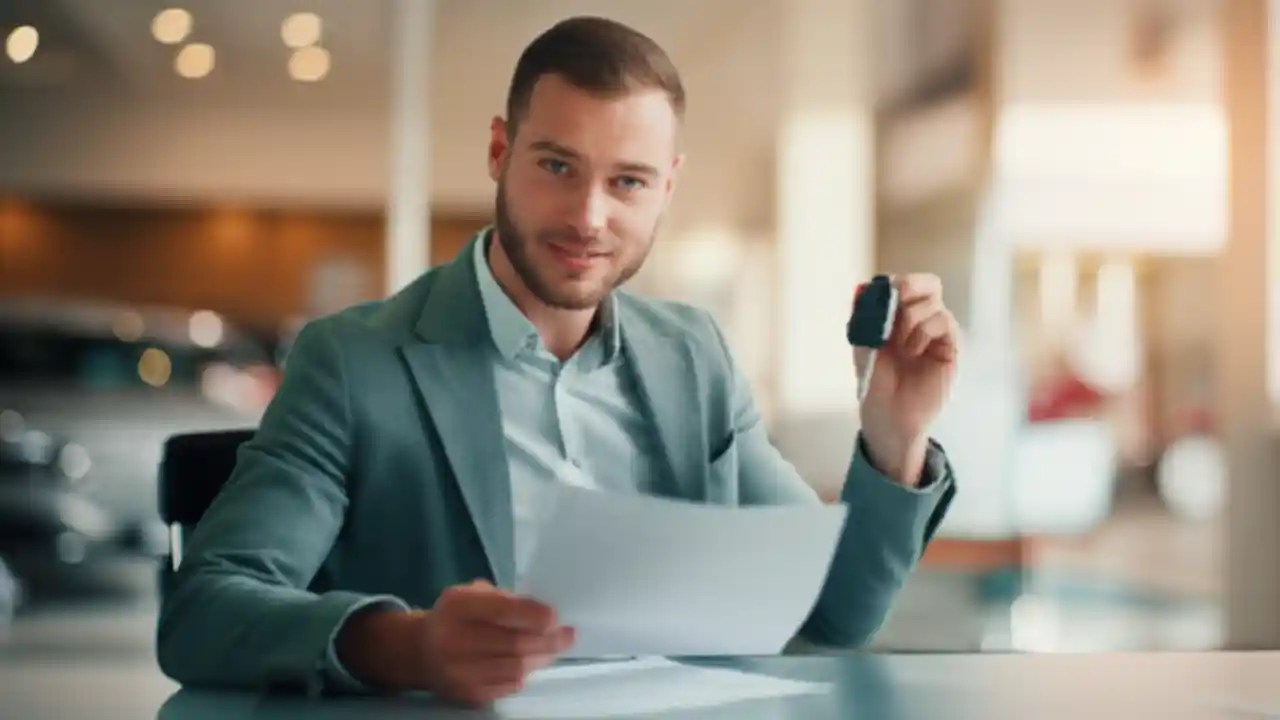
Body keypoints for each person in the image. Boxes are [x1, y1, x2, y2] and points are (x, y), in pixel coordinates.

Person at [156, 16, 960, 707]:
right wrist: (408, 645)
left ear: (667, 187)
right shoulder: (353, 362)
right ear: (500, 152)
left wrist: (895, 434)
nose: (589, 216)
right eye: (557, 166)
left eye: (629, 181)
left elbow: (837, 611)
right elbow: (203, 612)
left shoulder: (695, 356)